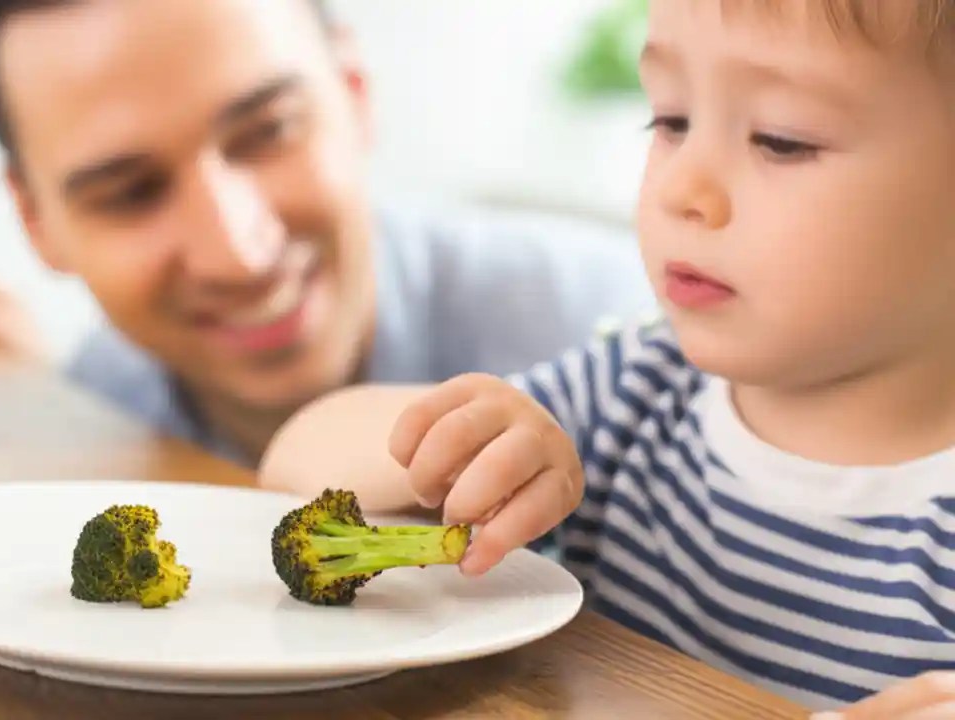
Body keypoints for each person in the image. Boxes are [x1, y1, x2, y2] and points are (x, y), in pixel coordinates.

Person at [259, 0, 955, 715]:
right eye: (672, 121)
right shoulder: (632, 393)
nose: (683, 187)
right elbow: (294, 459)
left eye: (780, 139)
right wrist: (457, 440)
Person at [0, 0, 654, 467]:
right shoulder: (99, 398)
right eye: (130, 194)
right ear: (38, 223)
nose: (237, 253)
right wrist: (35, 394)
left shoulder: (625, 339)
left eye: (269, 131)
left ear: (355, 95)